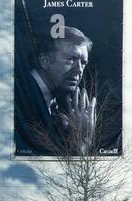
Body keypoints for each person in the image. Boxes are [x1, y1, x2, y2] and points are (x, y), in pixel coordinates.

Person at [15, 26, 97, 155]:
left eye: (83, 62)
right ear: (44, 61)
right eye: (71, 59)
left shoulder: (53, 105)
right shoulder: (20, 100)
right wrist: (82, 140)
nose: (79, 69)